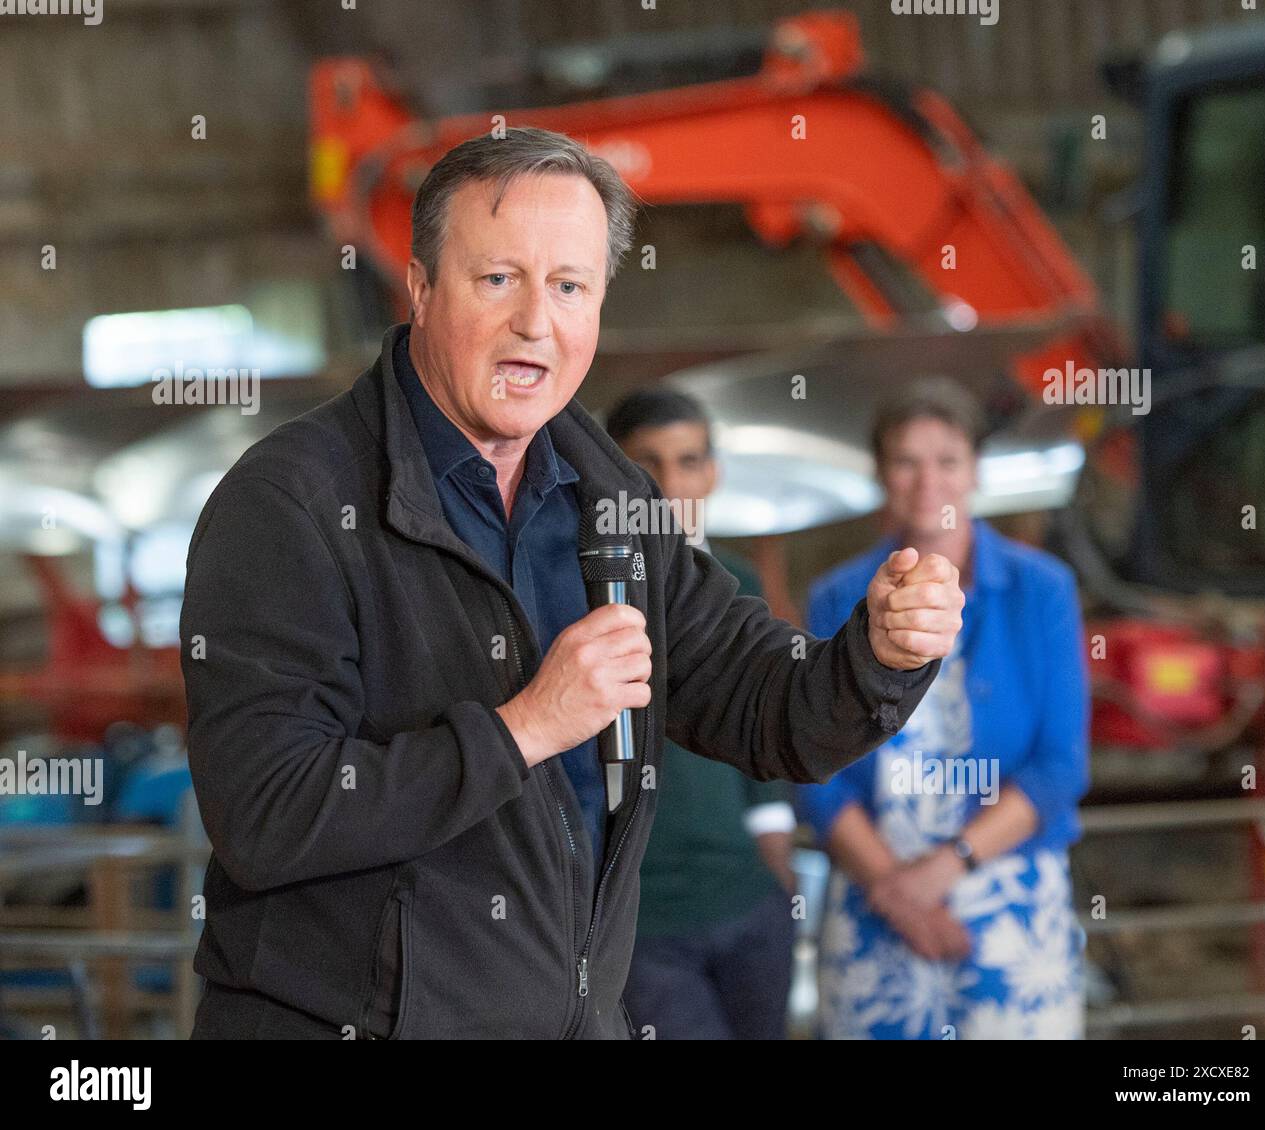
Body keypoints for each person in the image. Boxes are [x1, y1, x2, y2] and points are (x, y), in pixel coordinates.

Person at [181, 127, 964, 1040]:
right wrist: (526, 728)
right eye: (497, 279)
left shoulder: (608, 496)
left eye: (569, 287)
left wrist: (878, 655)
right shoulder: (291, 504)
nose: (536, 323)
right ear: (421, 289)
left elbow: (764, 704)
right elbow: (267, 814)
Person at [800, 377, 1090, 1040]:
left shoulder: (1042, 589)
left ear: (976, 470)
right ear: (881, 473)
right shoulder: (837, 595)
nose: (927, 481)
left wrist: (944, 868)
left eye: (948, 460)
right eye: (906, 461)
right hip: (876, 893)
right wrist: (895, 891)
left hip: (1009, 894)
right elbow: (813, 764)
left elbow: (1061, 765)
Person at [606, 389, 797, 1039]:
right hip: (644, 915)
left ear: (711, 473)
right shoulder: (583, 586)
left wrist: (775, 858)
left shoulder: (741, 580)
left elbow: (765, 710)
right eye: (647, 462)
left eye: (687, 461)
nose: (669, 484)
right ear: (614, 474)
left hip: (749, 895)